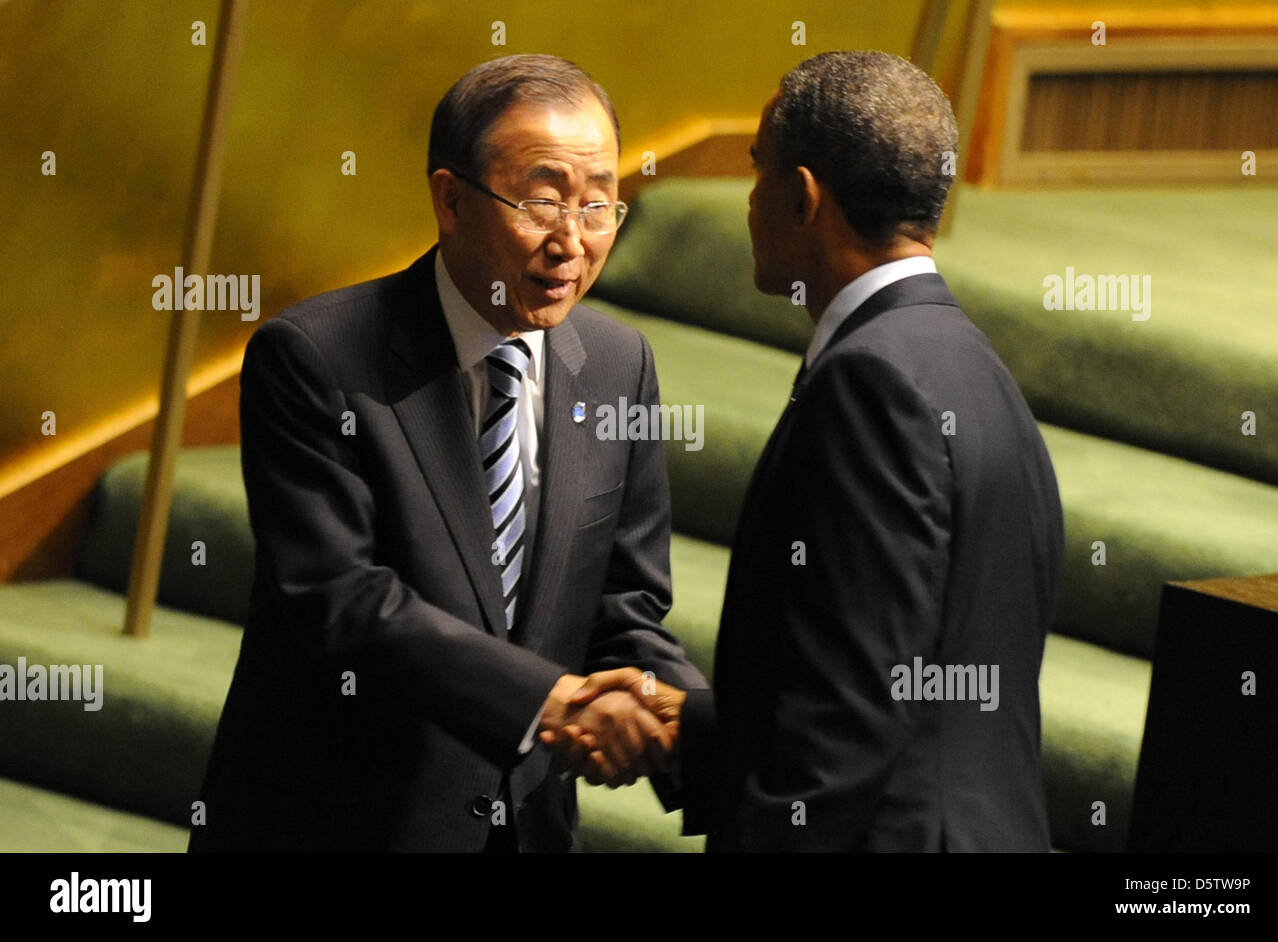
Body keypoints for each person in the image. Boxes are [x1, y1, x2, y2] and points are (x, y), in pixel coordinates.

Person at [189, 54, 706, 853]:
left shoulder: (616, 365)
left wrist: (686, 722)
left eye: (598, 205)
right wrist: (551, 703)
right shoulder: (318, 358)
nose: (571, 241)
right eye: (542, 201)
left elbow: (623, 603)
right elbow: (340, 598)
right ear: (451, 200)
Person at [562, 51, 1064, 851]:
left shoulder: (870, 383)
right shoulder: (976, 370)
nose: (749, 200)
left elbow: (844, 728)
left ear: (802, 198)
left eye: (757, 170)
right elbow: (905, 684)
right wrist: (696, 724)